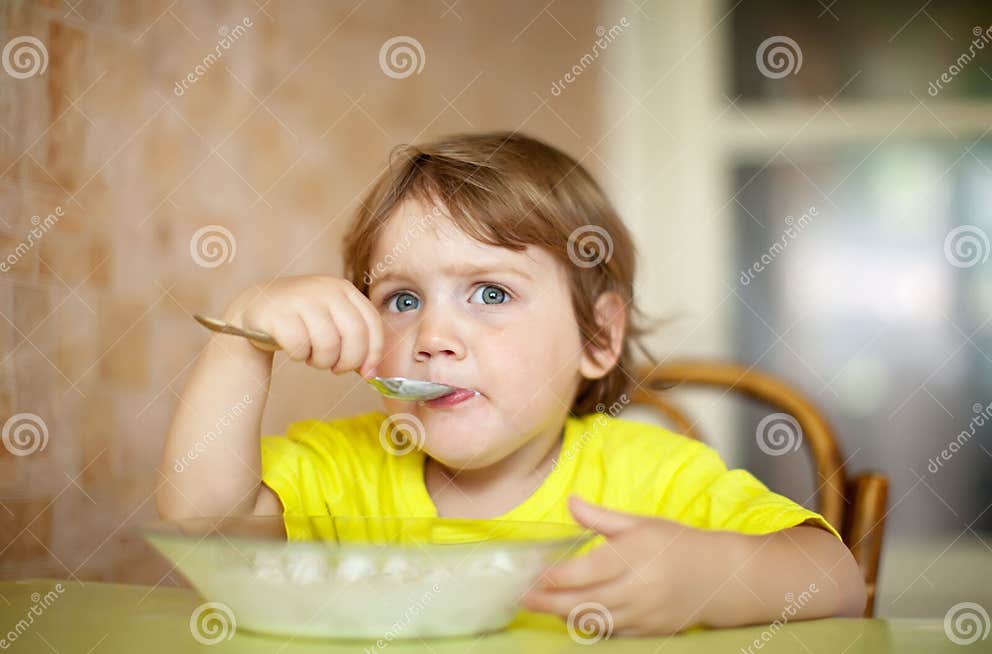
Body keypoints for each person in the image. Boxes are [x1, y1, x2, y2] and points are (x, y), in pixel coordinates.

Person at [157, 131, 866, 636]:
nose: (433, 336)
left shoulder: (652, 474)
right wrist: (242, 338)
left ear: (598, 336)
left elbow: (835, 579)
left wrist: (707, 578)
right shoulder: (343, 467)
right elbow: (205, 524)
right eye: (402, 300)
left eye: (490, 294)